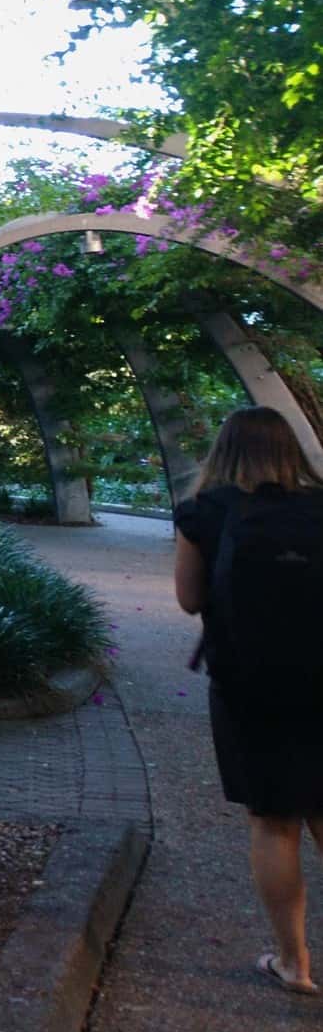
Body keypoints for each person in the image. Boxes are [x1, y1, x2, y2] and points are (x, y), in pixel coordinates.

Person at [172, 406, 323, 996]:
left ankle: (295, 964)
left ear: (222, 451)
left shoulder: (204, 513)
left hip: (249, 685)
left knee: (275, 820)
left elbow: (188, 601)